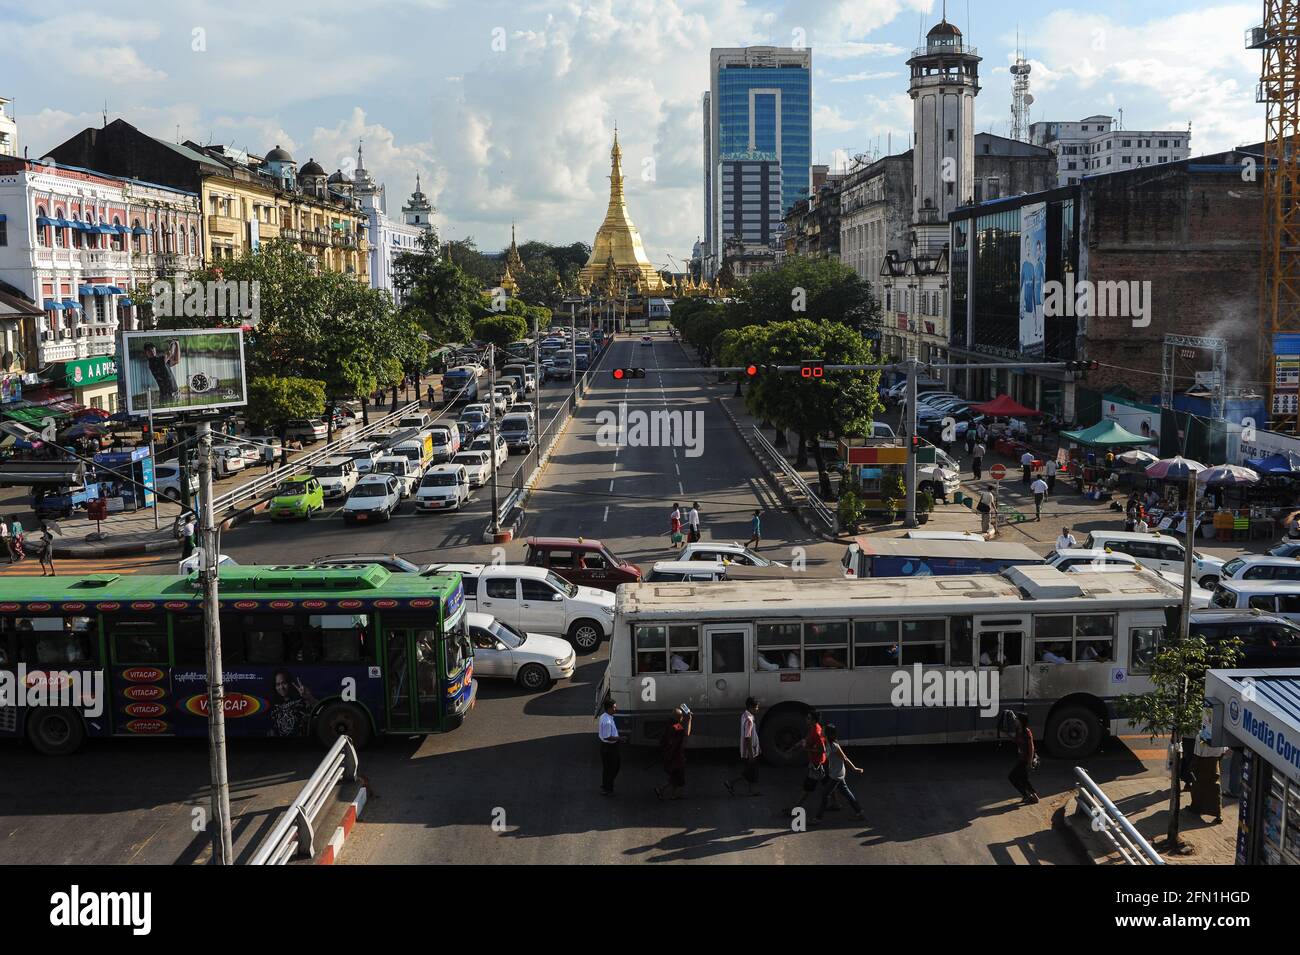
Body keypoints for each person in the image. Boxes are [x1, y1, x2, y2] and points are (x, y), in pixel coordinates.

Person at [811, 724, 865, 825]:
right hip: (835, 773)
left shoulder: (834, 746)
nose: (821, 731)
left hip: (837, 774)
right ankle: (859, 812)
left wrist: (854, 768)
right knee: (846, 793)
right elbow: (822, 752)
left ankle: (818, 818)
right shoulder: (826, 743)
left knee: (825, 794)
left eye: (823, 730)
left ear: (827, 733)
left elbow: (844, 758)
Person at [790, 709, 832, 813]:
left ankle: (795, 808)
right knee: (827, 784)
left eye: (808, 718)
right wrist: (798, 745)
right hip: (819, 762)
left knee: (807, 787)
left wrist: (807, 749)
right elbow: (808, 739)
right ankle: (836, 803)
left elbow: (823, 750)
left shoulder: (817, 732)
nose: (806, 720)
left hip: (817, 764)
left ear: (813, 720)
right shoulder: (814, 728)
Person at [723, 697, 762, 797]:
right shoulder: (749, 720)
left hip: (750, 750)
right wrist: (751, 754)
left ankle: (751, 790)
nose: (758, 709)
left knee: (751, 771)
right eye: (756, 707)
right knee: (750, 772)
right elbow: (747, 737)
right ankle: (731, 783)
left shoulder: (745, 715)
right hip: (750, 751)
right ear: (750, 707)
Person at [654, 706, 691, 800]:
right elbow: (687, 734)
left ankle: (673, 794)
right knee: (676, 777)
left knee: (675, 776)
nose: (683, 717)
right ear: (679, 718)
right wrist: (690, 720)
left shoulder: (668, 725)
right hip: (676, 756)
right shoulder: (677, 727)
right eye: (681, 716)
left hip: (668, 754)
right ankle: (660, 789)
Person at [267, 670, 317, 737]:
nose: (281, 687)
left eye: (284, 683)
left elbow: (321, 711)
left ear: (290, 683)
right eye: (278, 684)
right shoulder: (274, 707)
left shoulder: (301, 700)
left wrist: (309, 697)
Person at [1008, 712, 1040, 804]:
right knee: (1023, 779)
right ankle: (1031, 796)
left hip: (1026, 760)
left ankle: (1029, 796)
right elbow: (1017, 741)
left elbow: (1031, 748)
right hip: (1021, 759)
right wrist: (1008, 735)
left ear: (1021, 721)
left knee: (1012, 777)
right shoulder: (1019, 730)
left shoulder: (1027, 732)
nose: (1015, 720)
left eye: (1017, 719)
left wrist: (1029, 763)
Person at [142, 340, 180, 404]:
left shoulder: (161, 361)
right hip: (167, 397)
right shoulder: (154, 362)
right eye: (148, 350)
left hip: (174, 394)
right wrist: (174, 343)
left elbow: (176, 360)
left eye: (152, 348)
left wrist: (177, 344)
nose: (151, 350)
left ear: (155, 349)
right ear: (146, 353)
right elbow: (170, 353)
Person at [598, 698, 621, 795]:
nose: (616, 709)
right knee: (612, 768)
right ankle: (608, 788)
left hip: (606, 748)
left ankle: (605, 785)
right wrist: (620, 738)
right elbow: (607, 737)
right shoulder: (607, 721)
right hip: (609, 748)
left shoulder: (604, 716)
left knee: (608, 768)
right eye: (614, 708)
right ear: (609, 709)